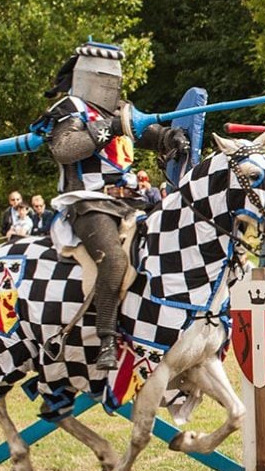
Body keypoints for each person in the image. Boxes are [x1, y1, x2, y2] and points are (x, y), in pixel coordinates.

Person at [31, 41, 189, 370]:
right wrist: (112, 127)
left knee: (171, 243)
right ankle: (106, 339)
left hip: (131, 200)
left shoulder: (118, 108)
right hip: (89, 202)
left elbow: (146, 131)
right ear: (86, 75)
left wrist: (169, 137)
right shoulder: (69, 108)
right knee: (115, 262)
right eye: (103, 77)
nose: (110, 83)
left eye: (114, 77)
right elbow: (66, 148)